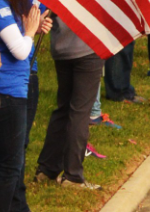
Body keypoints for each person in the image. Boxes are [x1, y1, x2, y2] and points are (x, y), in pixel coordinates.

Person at [0, 0, 51, 210]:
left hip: (10, 88)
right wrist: (29, 32)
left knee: (0, 157)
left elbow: (12, 42)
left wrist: (32, 29)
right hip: (8, 91)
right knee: (10, 164)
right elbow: (20, 51)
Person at [34, 14, 104, 191]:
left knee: (63, 109)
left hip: (61, 47)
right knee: (80, 112)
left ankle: (47, 169)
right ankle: (72, 175)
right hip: (89, 46)